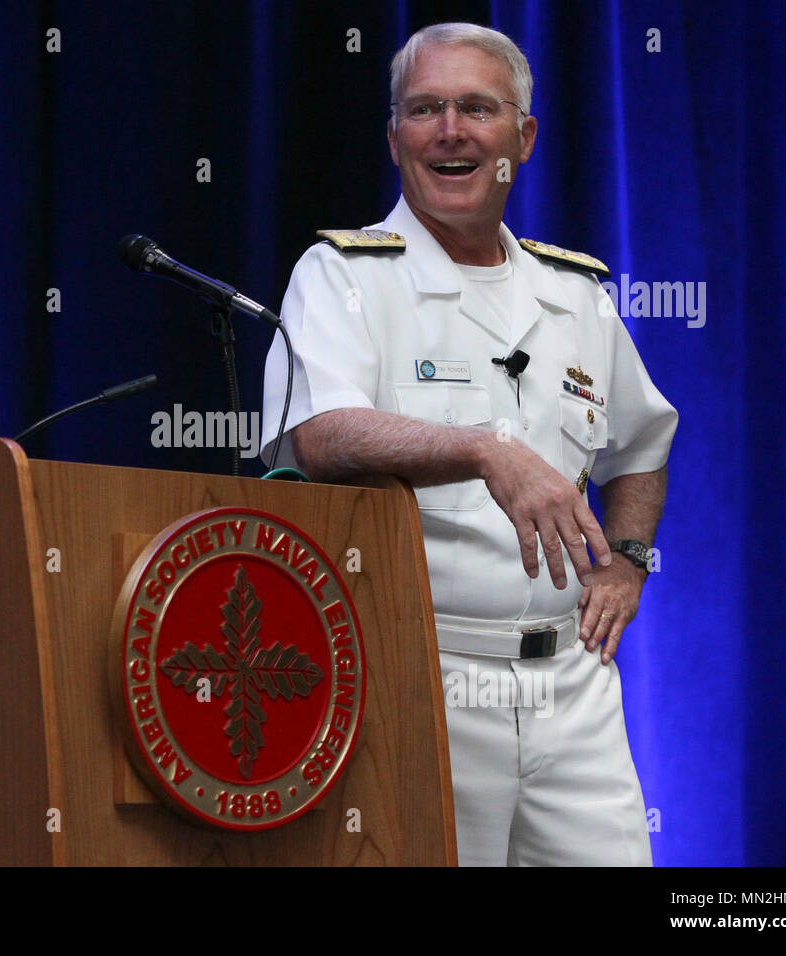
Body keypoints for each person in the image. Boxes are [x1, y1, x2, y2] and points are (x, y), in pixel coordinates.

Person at [259, 22, 677, 866]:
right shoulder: (342, 276)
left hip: (575, 683)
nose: (449, 131)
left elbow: (641, 441)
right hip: (419, 673)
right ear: (394, 138)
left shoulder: (575, 293)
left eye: (476, 108)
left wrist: (626, 560)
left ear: (522, 137)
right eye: (425, 110)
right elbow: (319, 436)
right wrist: (488, 449)